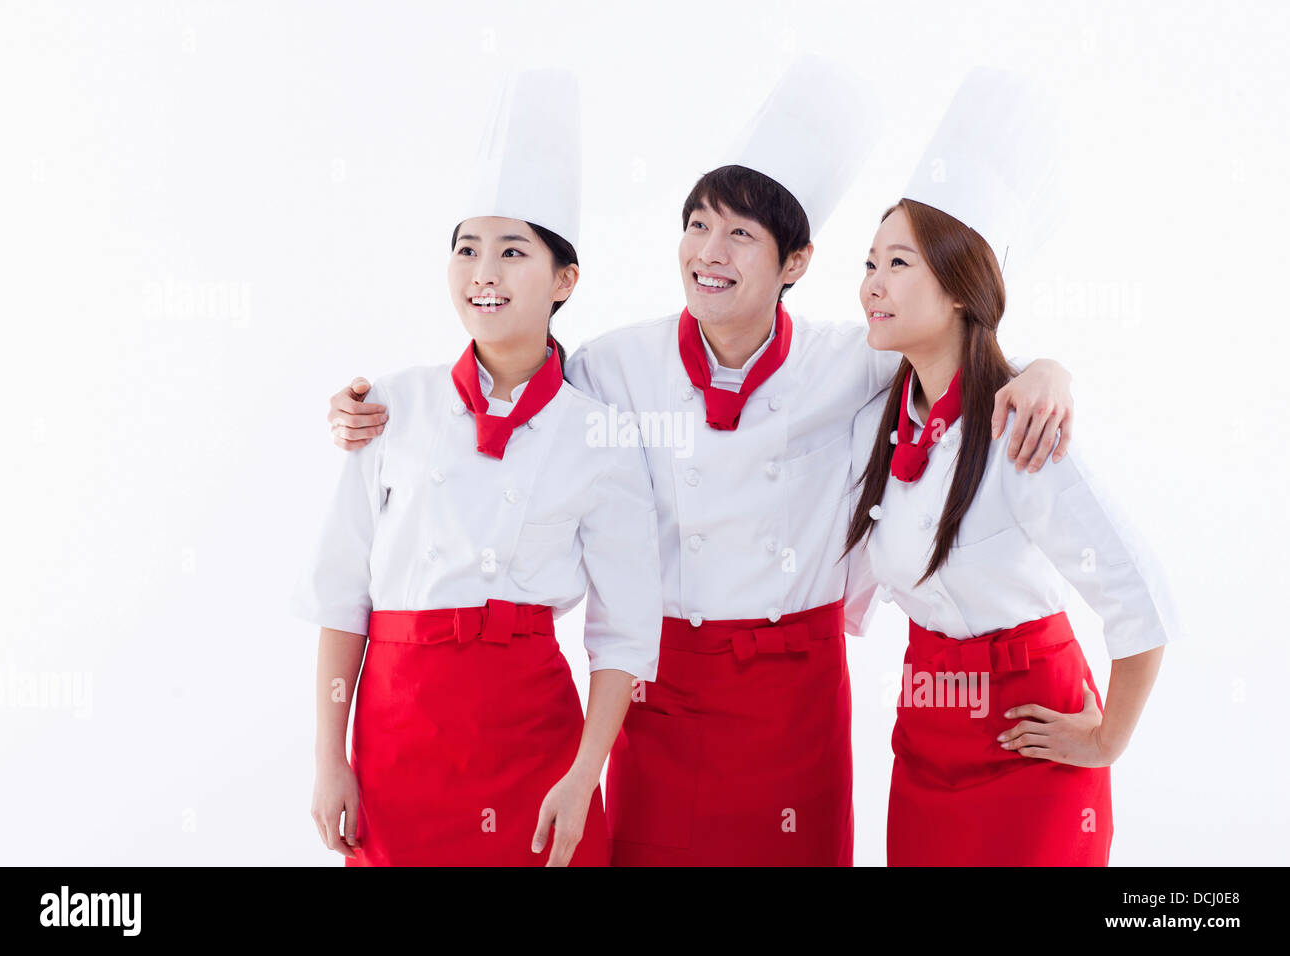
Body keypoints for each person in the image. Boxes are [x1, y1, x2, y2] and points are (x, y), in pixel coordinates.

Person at [323, 56, 1075, 866]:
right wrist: (378, 409)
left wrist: (1046, 371)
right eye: (697, 225)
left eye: (741, 235)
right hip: (664, 694)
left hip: (797, 697)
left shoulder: (848, 364)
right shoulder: (613, 367)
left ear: (795, 265)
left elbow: (950, 354)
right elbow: (510, 374)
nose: (709, 252)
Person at [293, 68, 662, 866]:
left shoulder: (599, 433)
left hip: (533, 744)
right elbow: (342, 591)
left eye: (511, 252)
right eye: (466, 250)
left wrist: (583, 774)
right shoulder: (390, 406)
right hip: (395, 741)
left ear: (565, 280)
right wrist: (329, 760)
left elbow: (625, 632)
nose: (482, 273)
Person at [845, 68, 1180, 866]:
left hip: (1032, 744)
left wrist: (1107, 739)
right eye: (869, 262)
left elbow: (1142, 600)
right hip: (927, 734)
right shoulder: (877, 413)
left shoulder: (1025, 430)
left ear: (960, 289)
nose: (870, 287)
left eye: (898, 264)